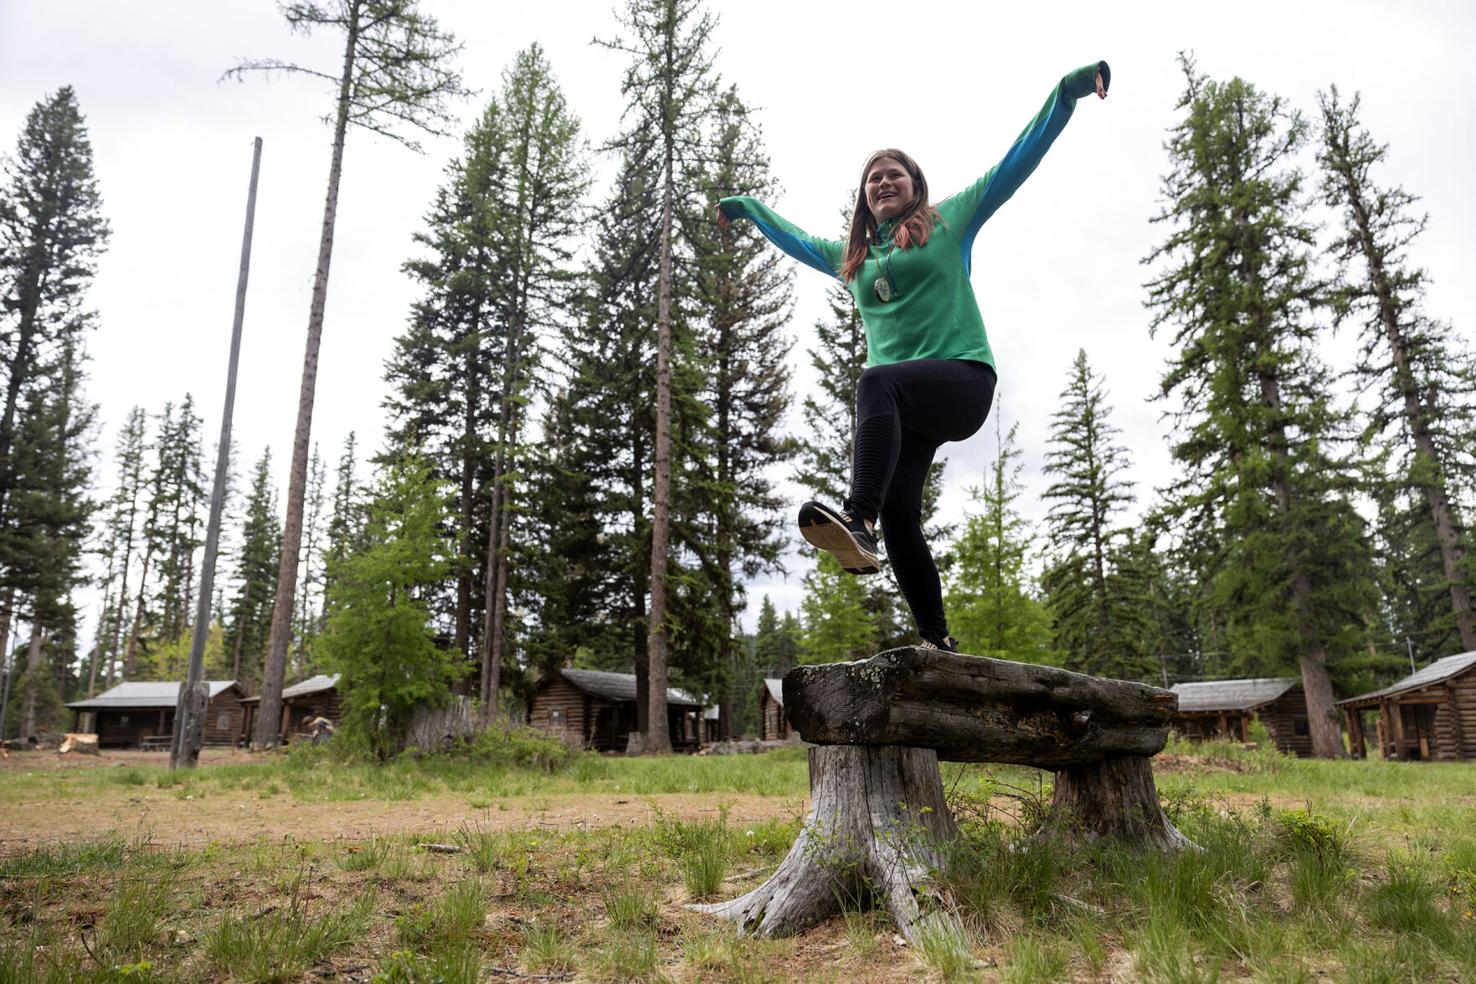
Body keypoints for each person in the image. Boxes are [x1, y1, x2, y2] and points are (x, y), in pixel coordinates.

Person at [715, 61, 1109, 654]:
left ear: (914, 184)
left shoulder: (950, 221)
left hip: (964, 380)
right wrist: (747, 206)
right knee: (901, 514)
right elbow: (795, 239)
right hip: (910, 409)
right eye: (873, 179)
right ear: (864, 198)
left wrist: (1067, 92)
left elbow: (1016, 161)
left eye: (893, 174)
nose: (883, 182)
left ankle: (858, 519)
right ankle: (936, 638)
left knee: (875, 384)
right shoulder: (853, 262)